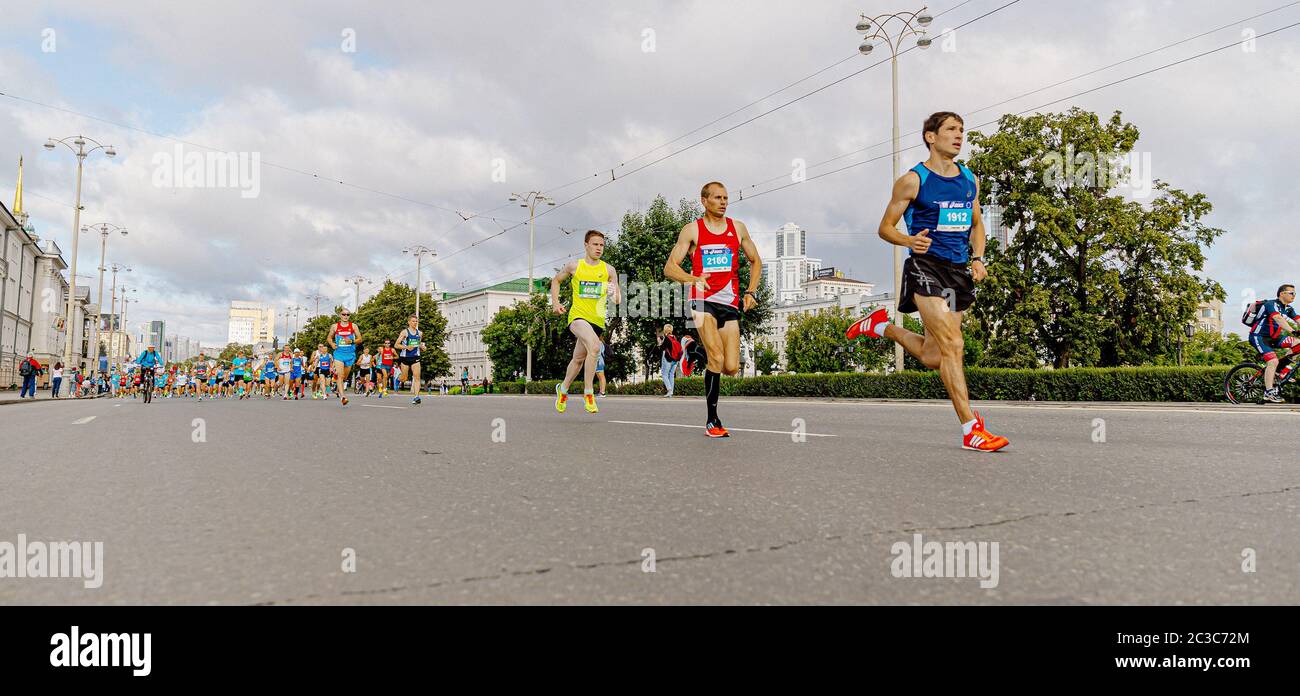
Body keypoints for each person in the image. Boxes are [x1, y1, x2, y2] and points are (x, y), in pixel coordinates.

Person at [845, 111, 1008, 452]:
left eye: (962, 130)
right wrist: (909, 241)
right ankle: (971, 430)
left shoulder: (969, 179)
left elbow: (977, 223)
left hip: (957, 272)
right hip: (926, 268)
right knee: (954, 345)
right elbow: (885, 227)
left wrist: (978, 257)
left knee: (936, 355)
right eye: (951, 129)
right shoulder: (913, 180)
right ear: (931, 137)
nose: (959, 135)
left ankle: (882, 327)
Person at [663, 182, 762, 438]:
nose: (723, 202)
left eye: (726, 198)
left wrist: (750, 292)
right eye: (717, 197)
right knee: (715, 359)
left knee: (730, 367)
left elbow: (756, 260)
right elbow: (670, 267)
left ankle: (691, 348)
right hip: (701, 299)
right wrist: (691, 279)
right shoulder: (692, 230)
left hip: (729, 302)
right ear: (704, 201)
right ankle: (712, 420)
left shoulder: (737, 228)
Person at [551, 230, 620, 414]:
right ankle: (588, 393)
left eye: (602, 245)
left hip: (596, 321)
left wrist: (614, 293)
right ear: (586, 245)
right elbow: (556, 281)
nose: (599, 248)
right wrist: (556, 303)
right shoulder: (575, 266)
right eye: (595, 244)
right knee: (595, 347)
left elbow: (617, 299)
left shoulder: (608, 270)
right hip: (577, 317)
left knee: (578, 359)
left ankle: (563, 389)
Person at [1247, 284, 1300, 403]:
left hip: (1275, 338)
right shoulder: (1270, 304)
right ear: (1282, 294)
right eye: (1291, 293)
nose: (1294, 296)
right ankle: (1269, 392)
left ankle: (1281, 370)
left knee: (1298, 344)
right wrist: (1292, 331)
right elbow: (1278, 319)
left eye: (1295, 294)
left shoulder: (1288, 309)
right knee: (1273, 361)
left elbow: (1298, 320)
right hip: (1259, 337)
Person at [327, 310, 361, 407]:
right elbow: (329, 338)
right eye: (343, 314)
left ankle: (338, 387)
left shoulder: (353, 326)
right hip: (339, 354)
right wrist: (332, 344)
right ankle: (343, 397)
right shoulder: (335, 326)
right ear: (340, 315)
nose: (346, 316)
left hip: (350, 354)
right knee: (340, 376)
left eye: (347, 314)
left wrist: (352, 341)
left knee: (345, 377)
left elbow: (360, 339)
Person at [394, 315, 426, 405]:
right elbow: (396, 345)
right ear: (409, 322)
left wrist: (422, 347)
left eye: (416, 321)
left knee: (417, 377)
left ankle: (416, 397)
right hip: (405, 357)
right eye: (413, 321)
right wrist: (406, 347)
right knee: (404, 378)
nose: (415, 323)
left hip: (416, 357)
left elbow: (421, 345)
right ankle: (398, 379)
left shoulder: (419, 333)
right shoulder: (405, 332)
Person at [656, 324, 681, 397]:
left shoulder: (666, 338)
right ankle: (671, 392)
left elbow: (662, 348)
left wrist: (659, 342)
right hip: (675, 360)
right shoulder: (674, 338)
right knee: (671, 375)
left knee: (664, 374)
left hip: (668, 359)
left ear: (665, 330)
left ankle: (669, 390)